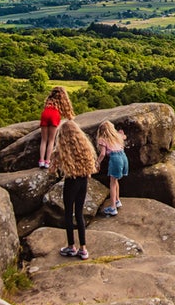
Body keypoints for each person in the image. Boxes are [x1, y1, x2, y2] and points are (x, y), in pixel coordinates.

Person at [50, 121, 97, 260]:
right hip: (84, 180)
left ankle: (71, 246)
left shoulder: (62, 149)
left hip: (71, 181)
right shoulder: (84, 146)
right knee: (79, 214)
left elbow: (52, 170)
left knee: (68, 214)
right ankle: (83, 248)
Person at [94, 120, 128, 216]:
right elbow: (124, 137)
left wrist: (97, 163)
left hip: (115, 159)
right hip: (123, 157)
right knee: (115, 180)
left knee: (112, 183)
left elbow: (103, 154)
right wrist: (122, 134)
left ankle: (113, 208)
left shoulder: (102, 139)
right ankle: (117, 200)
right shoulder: (117, 137)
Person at [38, 86, 74, 168]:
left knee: (44, 140)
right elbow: (68, 113)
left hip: (45, 114)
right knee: (51, 140)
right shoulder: (61, 101)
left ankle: (41, 160)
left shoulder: (49, 100)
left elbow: (45, 108)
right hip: (54, 115)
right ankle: (47, 161)